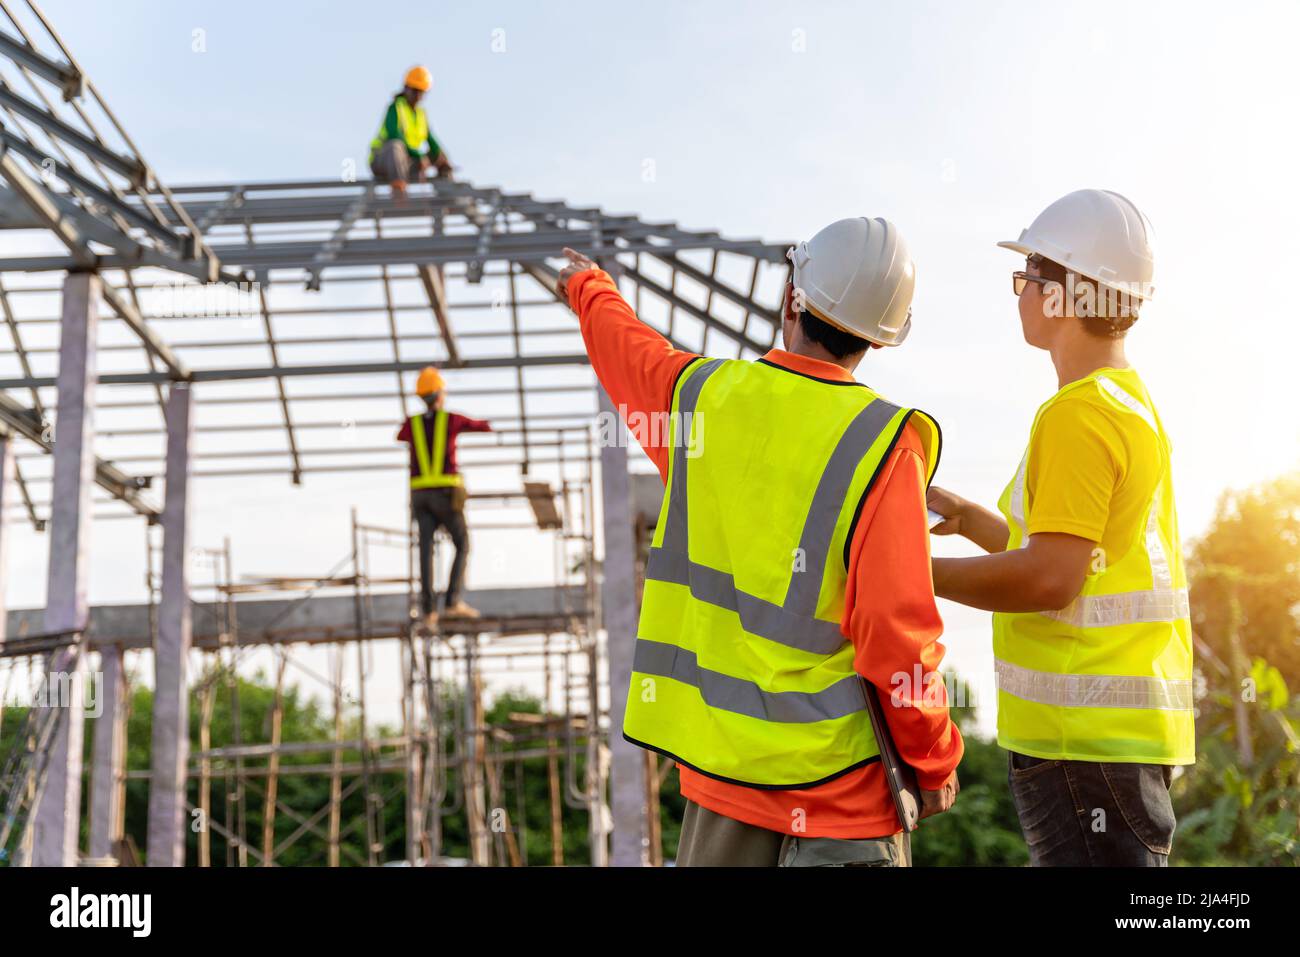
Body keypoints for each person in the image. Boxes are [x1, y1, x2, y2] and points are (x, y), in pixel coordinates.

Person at [556, 217, 962, 868]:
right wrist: (935, 757)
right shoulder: (888, 445)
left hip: (724, 796)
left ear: (792, 298)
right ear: (881, 339)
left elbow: (626, 350)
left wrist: (587, 287)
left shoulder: (702, 402)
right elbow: (897, 632)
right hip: (843, 806)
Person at [927, 190, 1192, 866]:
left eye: (1028, 278)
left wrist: (910, 572)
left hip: (1083, 746)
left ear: (1065, 296)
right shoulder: (1126, 401)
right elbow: (1075, 553)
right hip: (1115, 747)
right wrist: (975, 522)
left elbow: (1051, 577)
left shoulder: (1076, 416)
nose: (1019, 293)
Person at [397, 366, 491, 628]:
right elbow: (482, 426)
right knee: (462, 544)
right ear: (440, 395)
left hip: (420, 496)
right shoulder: (451, 420)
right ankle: (451, 602)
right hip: (445, 495)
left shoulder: (411, 424)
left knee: (425, 550)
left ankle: (428, 610)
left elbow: (400, 436)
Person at [369, 65, 452, 198]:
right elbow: (393, 134)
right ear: (406, 88)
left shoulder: (421, 114)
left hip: (405, 163)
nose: (418, 95)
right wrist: (417, 155)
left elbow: (431, 141)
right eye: (415, 91)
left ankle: (449, 192)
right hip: (383, 161)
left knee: (439, 156)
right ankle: (398, 187)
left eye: (421, 92)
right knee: (395, 146)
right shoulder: (395, 107)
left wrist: (443, 160)